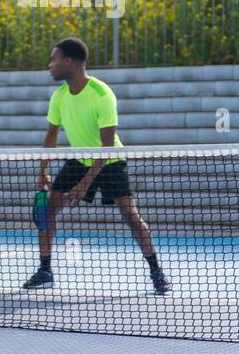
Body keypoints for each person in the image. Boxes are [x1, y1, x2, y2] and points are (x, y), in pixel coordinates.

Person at [23, 36, 170, 294]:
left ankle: (157, 272)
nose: (50, 65)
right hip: (79, 159)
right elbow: (51, 135)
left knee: (131, 217)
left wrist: (83, 185)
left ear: (68, 62)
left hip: (110, 161)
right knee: (47, 214)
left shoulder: (102, 95)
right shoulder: (59, 96)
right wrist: (43, 171)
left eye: (53, 59)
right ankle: (45, 270)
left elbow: (106, 147)